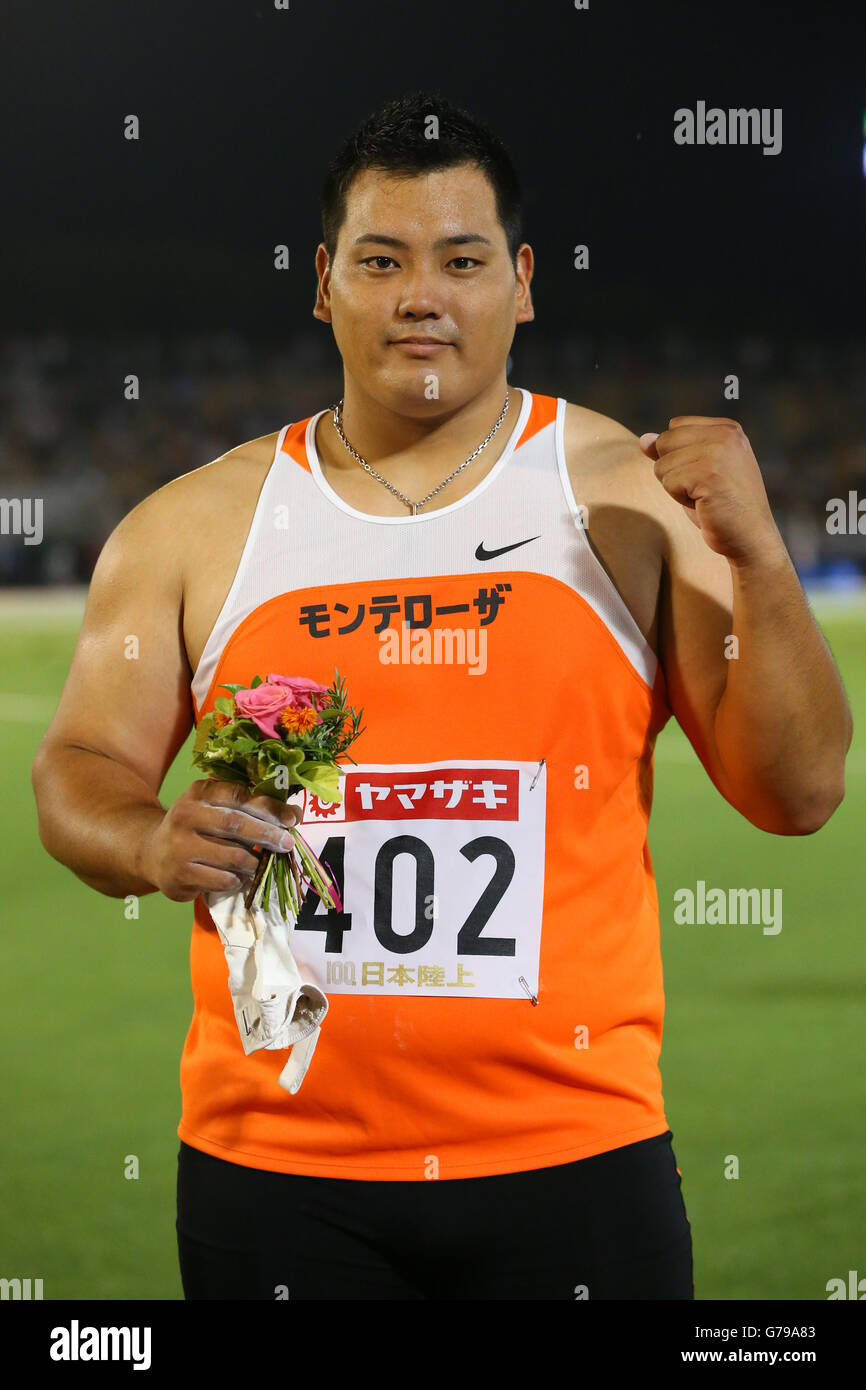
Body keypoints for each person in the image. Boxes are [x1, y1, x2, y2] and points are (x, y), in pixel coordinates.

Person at [32, 90, 853, 1301]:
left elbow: (798, 790)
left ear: (521, 282)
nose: (422, 294)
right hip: (276, 1171)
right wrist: (148, 837)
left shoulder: (631, 498)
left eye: (461, 260)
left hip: (574, 1160)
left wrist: (763, 558)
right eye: (382, 261)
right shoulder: (194, 525)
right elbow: (78, 768)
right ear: (323, 283)